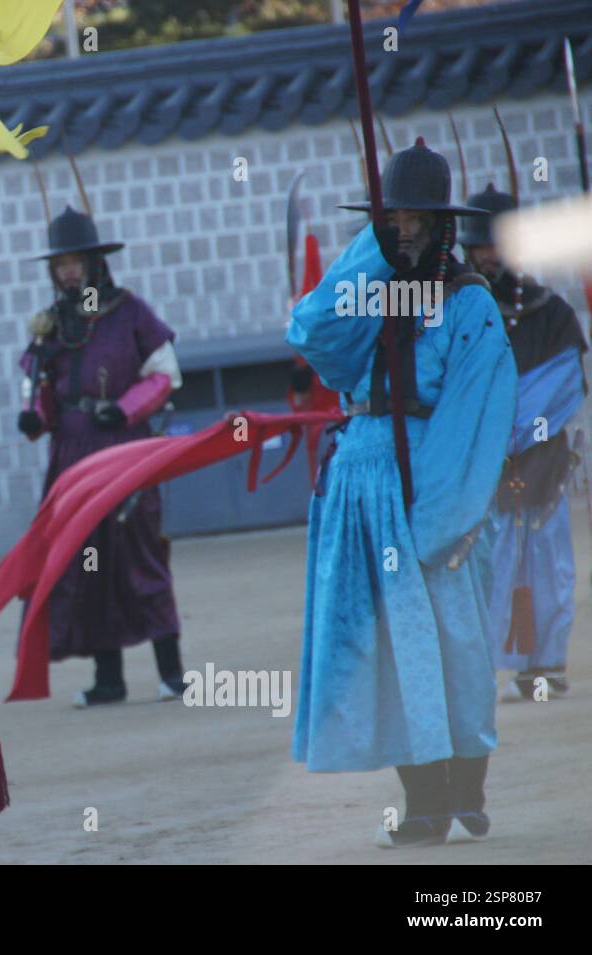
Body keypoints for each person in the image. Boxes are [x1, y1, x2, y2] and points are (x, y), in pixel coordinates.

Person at [287, 138, 517, 847]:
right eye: (394, 216)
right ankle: (421, 799)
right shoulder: (369, 291)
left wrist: (438, 523)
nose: (407, 228)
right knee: (390, 651)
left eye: (417, 217)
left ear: (445, 223)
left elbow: (472, 419)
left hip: (436, 487)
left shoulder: (470, 307)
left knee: (452, 644)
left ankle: (464, 780)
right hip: (362, 487)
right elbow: (312, 336)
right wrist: (371, 254)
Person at [16, 196, 186, 708]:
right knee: (85, 563)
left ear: (95, 264)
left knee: (140, 554)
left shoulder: (130, 311)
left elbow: (165, 373)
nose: (69, 273)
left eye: (76, 263)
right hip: (72, 456)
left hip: (125, 451)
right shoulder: (51, 325)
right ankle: (108, 679)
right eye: (60, 265)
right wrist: (37, 418)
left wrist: (127, 408)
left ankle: (172, 673)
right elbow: (46, 394)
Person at [459, 183, 587, 701]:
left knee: (546, 559)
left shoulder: (551, 314)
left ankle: (544, 662)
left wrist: (509, 425)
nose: (487, 255)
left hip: (539, 463)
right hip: (475, 464)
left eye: (496, 244)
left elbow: (559, 390)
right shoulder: (456, 310)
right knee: (485, 565)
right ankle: (485, 665)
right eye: (479, 244)